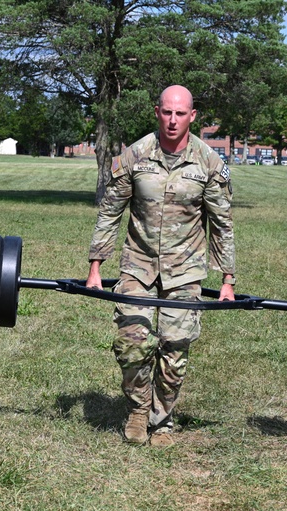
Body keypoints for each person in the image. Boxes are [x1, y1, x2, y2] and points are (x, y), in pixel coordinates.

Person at [86, 85, 235, 446]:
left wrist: (227, 279)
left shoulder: (208, 163)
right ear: (157, 112)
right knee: (131, 342)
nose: (172, 120)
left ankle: (162, 420)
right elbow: (110, 213)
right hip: (138, 264)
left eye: (180, 113)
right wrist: (95, 267)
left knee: (174, 349)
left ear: (192, 116)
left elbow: (222, 223)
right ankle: (139, 411)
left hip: (185, 268)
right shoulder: (135, 155)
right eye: (167, 112)